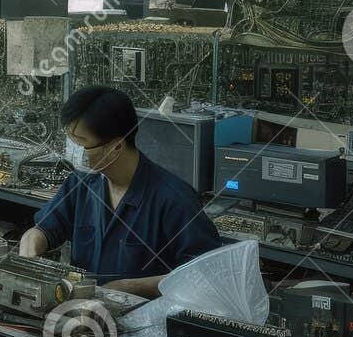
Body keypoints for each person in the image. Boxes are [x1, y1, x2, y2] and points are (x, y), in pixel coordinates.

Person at [18, 86, 220, 298]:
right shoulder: (81, 184)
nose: (74, 152)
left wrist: (128, 287)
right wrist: (28, 254)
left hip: (145, 314)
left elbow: (204, 276)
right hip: (84, 310)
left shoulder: (174, 199)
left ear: (116, 147)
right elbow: (43, 229)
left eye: (81, 144)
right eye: (72, 142)